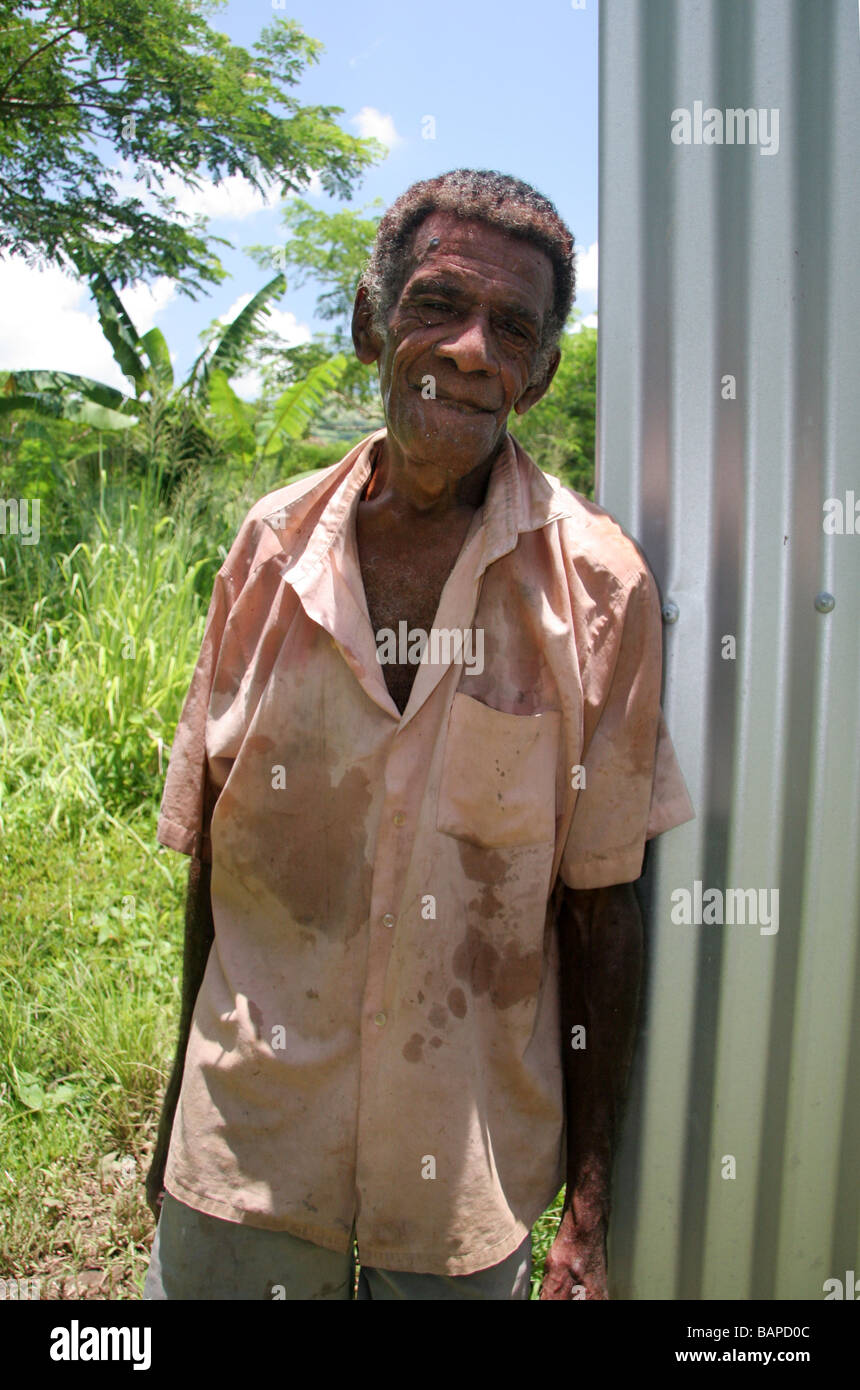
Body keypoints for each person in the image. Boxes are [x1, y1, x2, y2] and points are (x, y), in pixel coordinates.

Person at [143, 168, 694, 1301]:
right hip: (244, 1141)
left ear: (540, 375)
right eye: (437, 305)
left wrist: (588, 1219)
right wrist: (172, 1122)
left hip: (462, 1181)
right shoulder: (268, 550)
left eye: (513, 329)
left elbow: (603, 910)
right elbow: (219, 862)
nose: (472, 351)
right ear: (370, 326)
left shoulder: (600, 591)